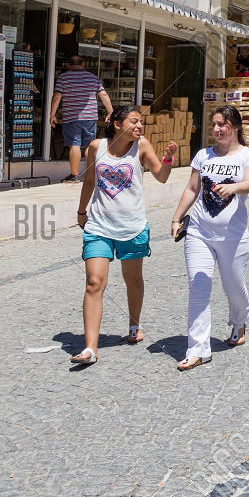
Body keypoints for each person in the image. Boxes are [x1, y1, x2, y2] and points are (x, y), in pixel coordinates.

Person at [69, 107, 179, 365]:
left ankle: (134, 325)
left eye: (141, 122)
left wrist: (168, 159)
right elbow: (90, 181)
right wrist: (82, 210)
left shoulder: (141, 146)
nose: (140, 126)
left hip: (132, 226)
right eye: (134, 121)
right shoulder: (96, 147)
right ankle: (90, 348)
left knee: (133, 279)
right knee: (94, 282)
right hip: (99, 225)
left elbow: (161, 177)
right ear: (117, 124)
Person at [170, 106, 249, 371]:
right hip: (199, 232)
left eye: (221, 124)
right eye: (214, 124)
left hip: (233, 236)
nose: (216, 130)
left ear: (235, 127)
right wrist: (177, 218)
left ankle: (239, 319)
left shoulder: (248, 155)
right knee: (199, 285)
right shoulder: (203, 155)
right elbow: (192, 188)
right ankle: (198, 349)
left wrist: (233, 187)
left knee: (234, 285)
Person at [49, 54, 113, 183]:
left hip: (71, 117)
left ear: (68, 66)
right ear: (83, 65)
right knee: (90, 145)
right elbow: (103, 94)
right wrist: (110, 112)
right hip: (90, 118)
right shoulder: (93, 78)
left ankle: (74, 175)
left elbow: (56, 97)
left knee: (74, 144)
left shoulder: (63, 78)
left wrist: (52, 114)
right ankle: (91, 174)